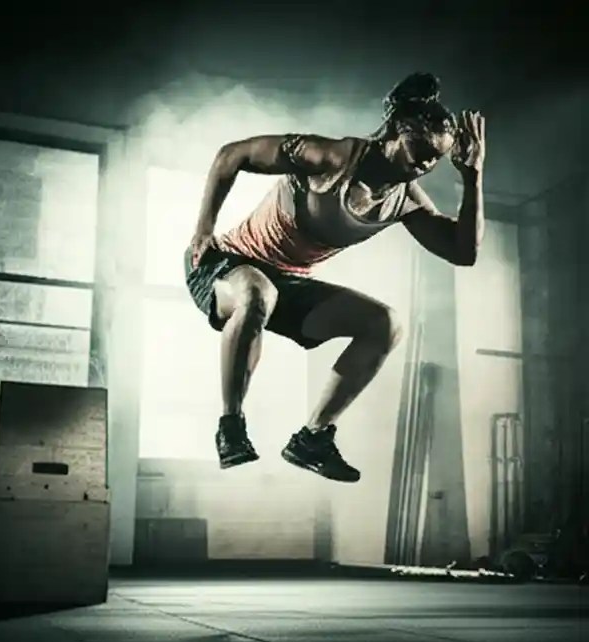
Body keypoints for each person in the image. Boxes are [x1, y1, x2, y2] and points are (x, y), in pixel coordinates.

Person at [182, 72, 485, 483]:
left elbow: (463, 252)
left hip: (288, 285)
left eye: (437, 159)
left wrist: (473, 177)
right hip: (224, 263)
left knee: (386, 324)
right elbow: (231, 155)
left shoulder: (405, 198)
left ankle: (312, 439)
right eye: (421, 151)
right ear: (398, 130)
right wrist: (203, 229)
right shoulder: (331, 157)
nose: (426, 165)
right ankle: (230, 427)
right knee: (258, 293)